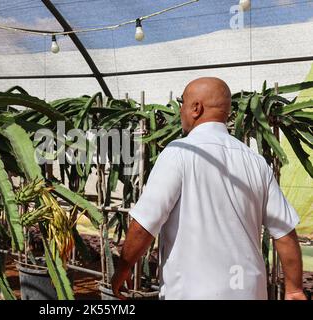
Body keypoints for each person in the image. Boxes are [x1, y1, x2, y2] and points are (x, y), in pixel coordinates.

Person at [111, 77, 306, 300]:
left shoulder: (179, 153)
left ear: (196, 108)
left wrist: (123, 269)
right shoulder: (255, 161)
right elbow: (284, 231)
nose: (180, 110)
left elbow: (143, 226)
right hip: (249, 291)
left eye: (182, 103)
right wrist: (294, 289)